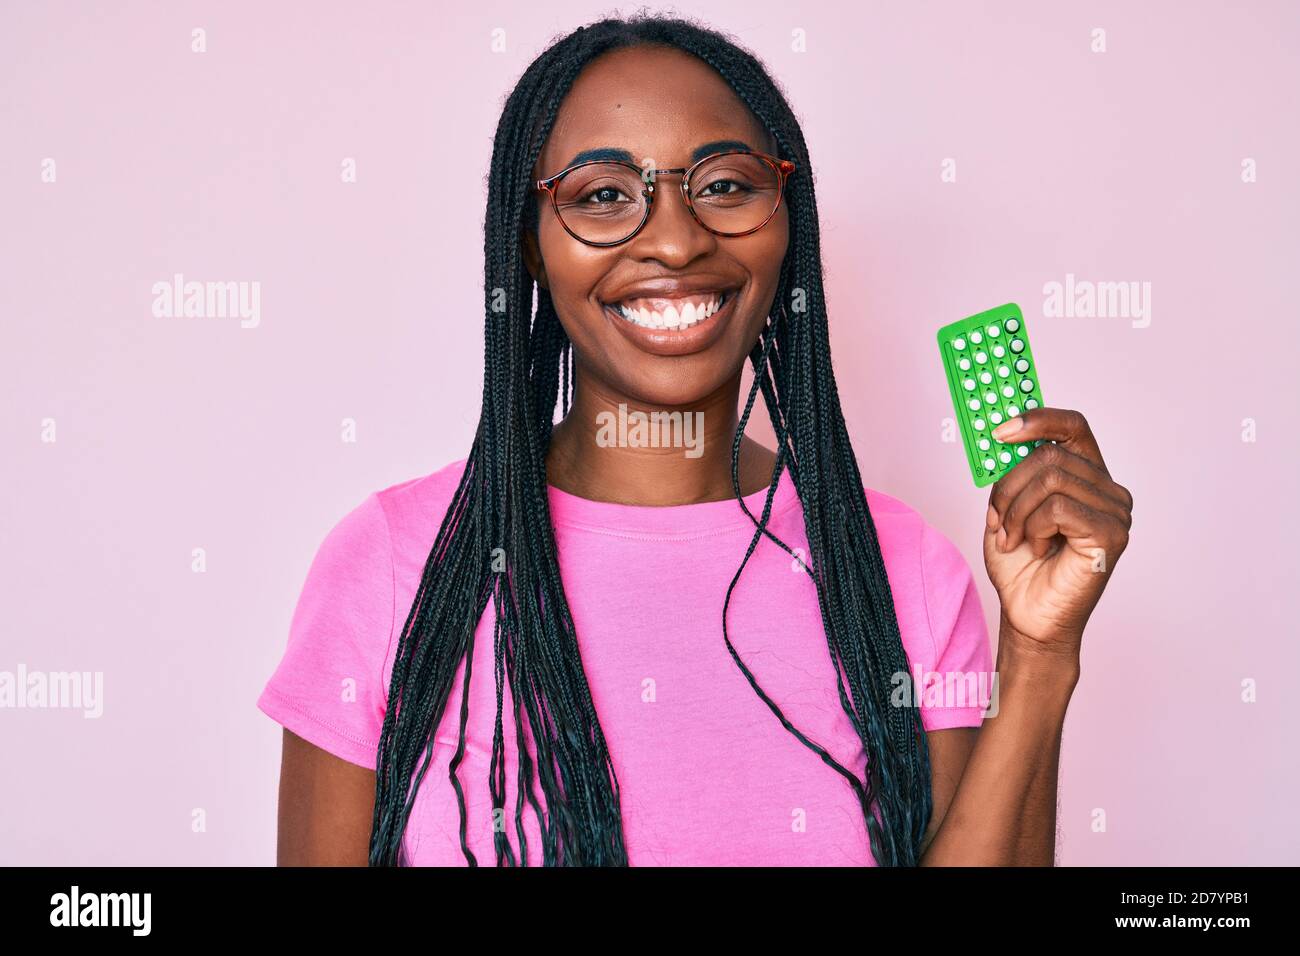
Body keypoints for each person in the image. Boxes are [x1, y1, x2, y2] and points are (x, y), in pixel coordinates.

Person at [257, 13, 1133, 866]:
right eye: (602, 195)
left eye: (725, 186)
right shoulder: (392, 565)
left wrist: (1041, 655)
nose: (675, 240)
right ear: (530, 242)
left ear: (788, 224)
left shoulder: (906, 571)